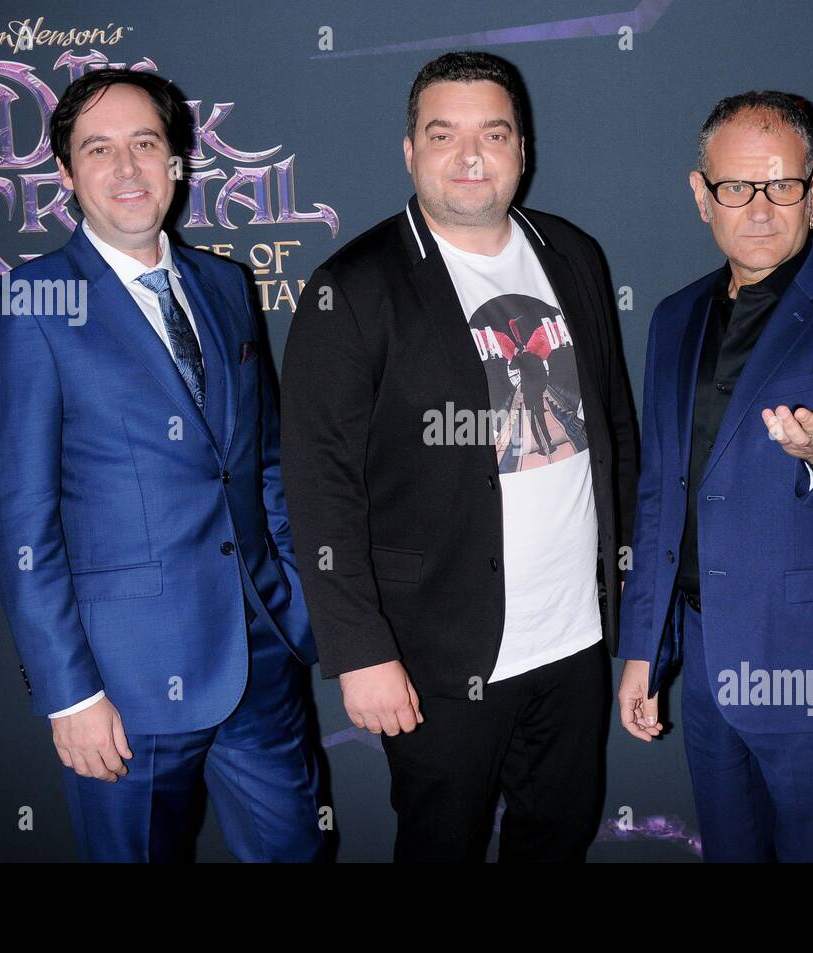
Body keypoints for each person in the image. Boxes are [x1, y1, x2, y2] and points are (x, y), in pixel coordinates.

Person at [281, 51, 637, 862]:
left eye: (494, 133)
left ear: (523, 149)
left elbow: (615, 430)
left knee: (558, 838)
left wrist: (631, 601)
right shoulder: (354, 287)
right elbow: (317, 479)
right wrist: (360, 650)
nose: (471, 155)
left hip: (575, 641)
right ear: (410, 151)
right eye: (444, 134)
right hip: (437, 650)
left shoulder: (573, 254)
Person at [0, 68, 324, 862]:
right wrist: (71, 694)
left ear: (177, 162)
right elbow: (20, 522)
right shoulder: (26, 306)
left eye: (144, 145)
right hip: (122, 688)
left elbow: (262, 460)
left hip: (260, 656)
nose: (126, 170)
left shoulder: (227, 285)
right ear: (64, 175)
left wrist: (289, 597)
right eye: (99, 150)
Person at [617, 90, 813, 862]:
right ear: (702, 196)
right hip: (704, 670)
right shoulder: (674, 316)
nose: (760, 208)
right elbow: (662, 492)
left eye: (782, 185)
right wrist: (642, 647)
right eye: (736, 186)